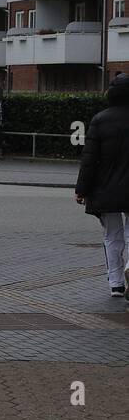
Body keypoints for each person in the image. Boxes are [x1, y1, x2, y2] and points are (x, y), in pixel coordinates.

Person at [75, 74, 129, 298]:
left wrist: (81, 189)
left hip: (106, 189)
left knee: (112, 236)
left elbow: (89, 159)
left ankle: (116, 283)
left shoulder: (100, 119)